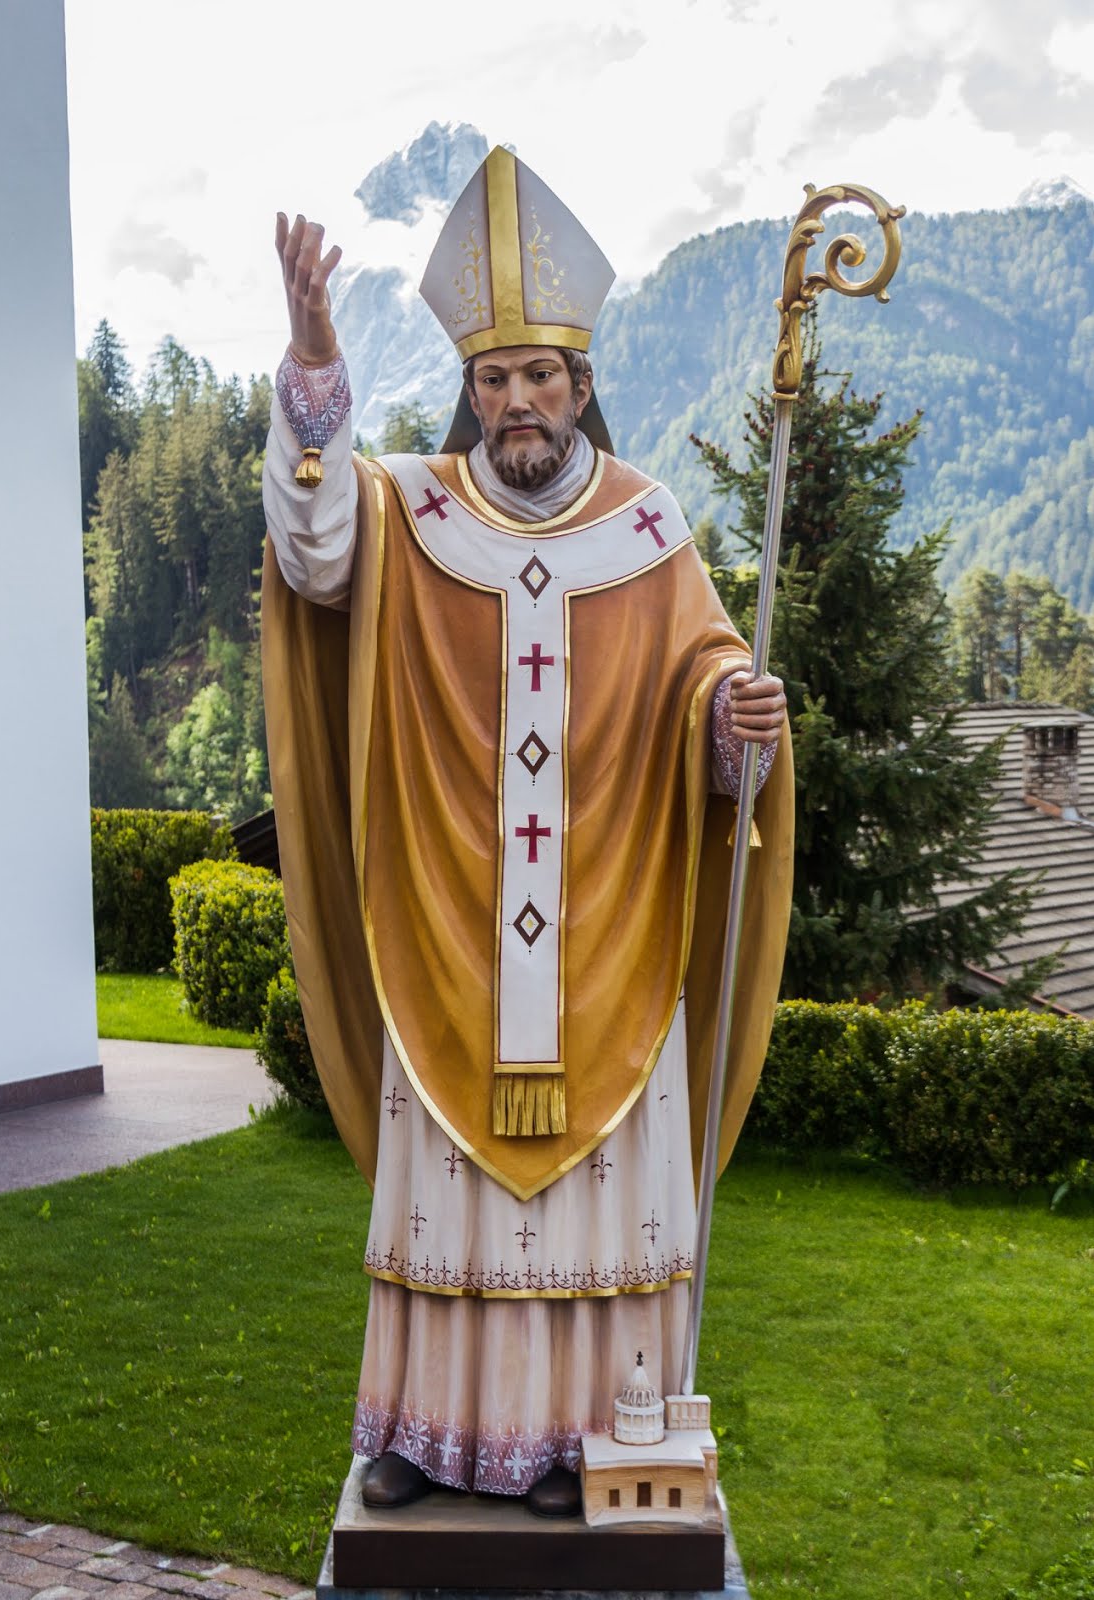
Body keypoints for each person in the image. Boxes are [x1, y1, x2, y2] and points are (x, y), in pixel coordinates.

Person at [261, 146, 793, 1519]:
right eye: (493, 380)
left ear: (579, 383)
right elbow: (312, 549)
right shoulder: (410, 511)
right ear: (470, 390)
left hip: (611, 929)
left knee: (593, 1210)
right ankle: (426, 1438)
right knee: (449, 1200)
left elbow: (703, 693)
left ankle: (590, 1441)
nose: (515, 404)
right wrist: (316, 359)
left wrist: (732, 728)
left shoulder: (651, 528)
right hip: (452, 922)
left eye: (538, 378)